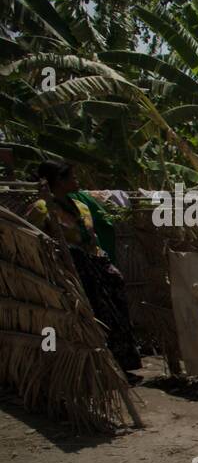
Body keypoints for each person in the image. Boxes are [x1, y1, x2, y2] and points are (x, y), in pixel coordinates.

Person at [26, 160, 142, 382]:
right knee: (86, 319)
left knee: (114, 313)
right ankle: (89, 370)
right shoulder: (42, 208)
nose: (77, 181)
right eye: (72, 177)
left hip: (97, 269)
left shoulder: (81, 207)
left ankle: (118, 364)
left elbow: (93, 239)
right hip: (69, 274)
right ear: (59, 181)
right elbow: (33, 241)